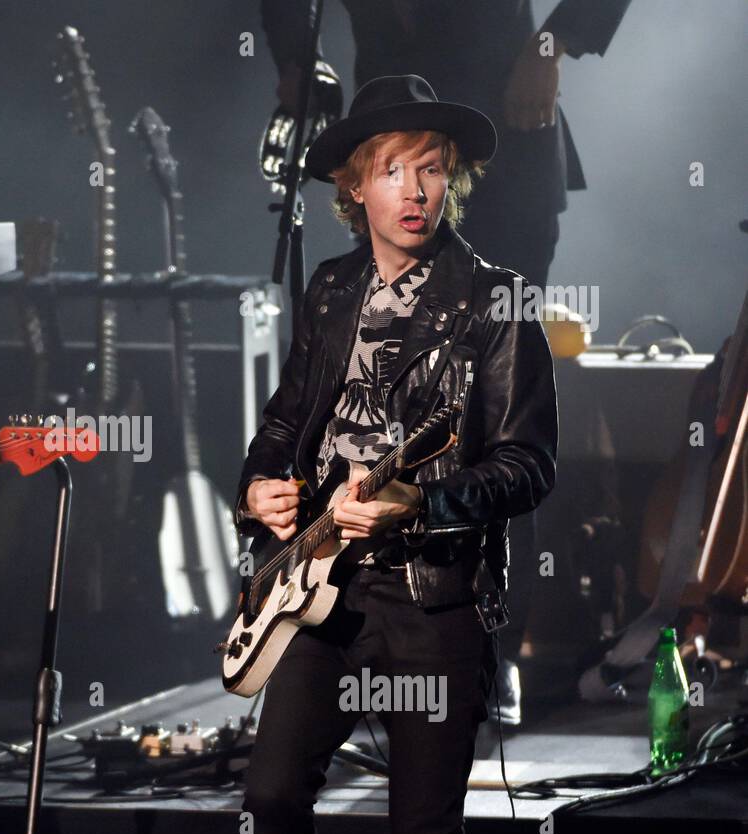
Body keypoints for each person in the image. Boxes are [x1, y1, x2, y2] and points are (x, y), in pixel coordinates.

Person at [262, 0, 630, 722]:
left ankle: (495, 644)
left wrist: (555, 41)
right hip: (384, 140)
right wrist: (294, 58)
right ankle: (362, 639)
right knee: (367, 403)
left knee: (492, 413)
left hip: (501, 145)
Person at [236, 75, 557, 834]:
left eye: (434, 169)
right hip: (318, 587)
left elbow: (528, 465)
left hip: (433, 600)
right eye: (392, 171)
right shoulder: (332, 290)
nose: (416, 192)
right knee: (270, 805)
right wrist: (256, 488)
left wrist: (421, 504)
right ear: (355, 186)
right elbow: (285, 422)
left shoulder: (497, 302)